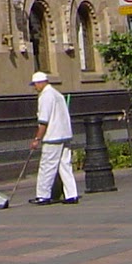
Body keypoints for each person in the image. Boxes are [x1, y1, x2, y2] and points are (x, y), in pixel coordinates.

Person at [27, 71, 79, 205]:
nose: (35, 87)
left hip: (53, 136)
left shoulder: (45, 96)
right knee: (65, 166)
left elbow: (44, 121)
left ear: (41, 83)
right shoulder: (57, 94)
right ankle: (71, 194)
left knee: (47, 166)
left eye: (35, 84)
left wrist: (37, 139)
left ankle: (43, 195)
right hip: (65, 134)